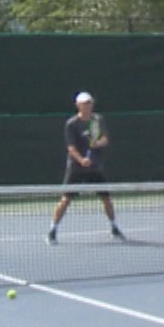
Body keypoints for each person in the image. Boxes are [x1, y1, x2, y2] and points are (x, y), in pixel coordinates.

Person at [48, 92, 123, 244]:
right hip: (76, 168)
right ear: (78, 105)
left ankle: (114, 227)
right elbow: (71, 147)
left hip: (95, 168)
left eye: (89, 103)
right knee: (66, 199)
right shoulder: (71, 124)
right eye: (84, 103)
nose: (87, 106)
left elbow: (105, 139)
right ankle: (53, 230)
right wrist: (81, 160)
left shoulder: (98, 120)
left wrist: (97, 143)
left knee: (106, 198)